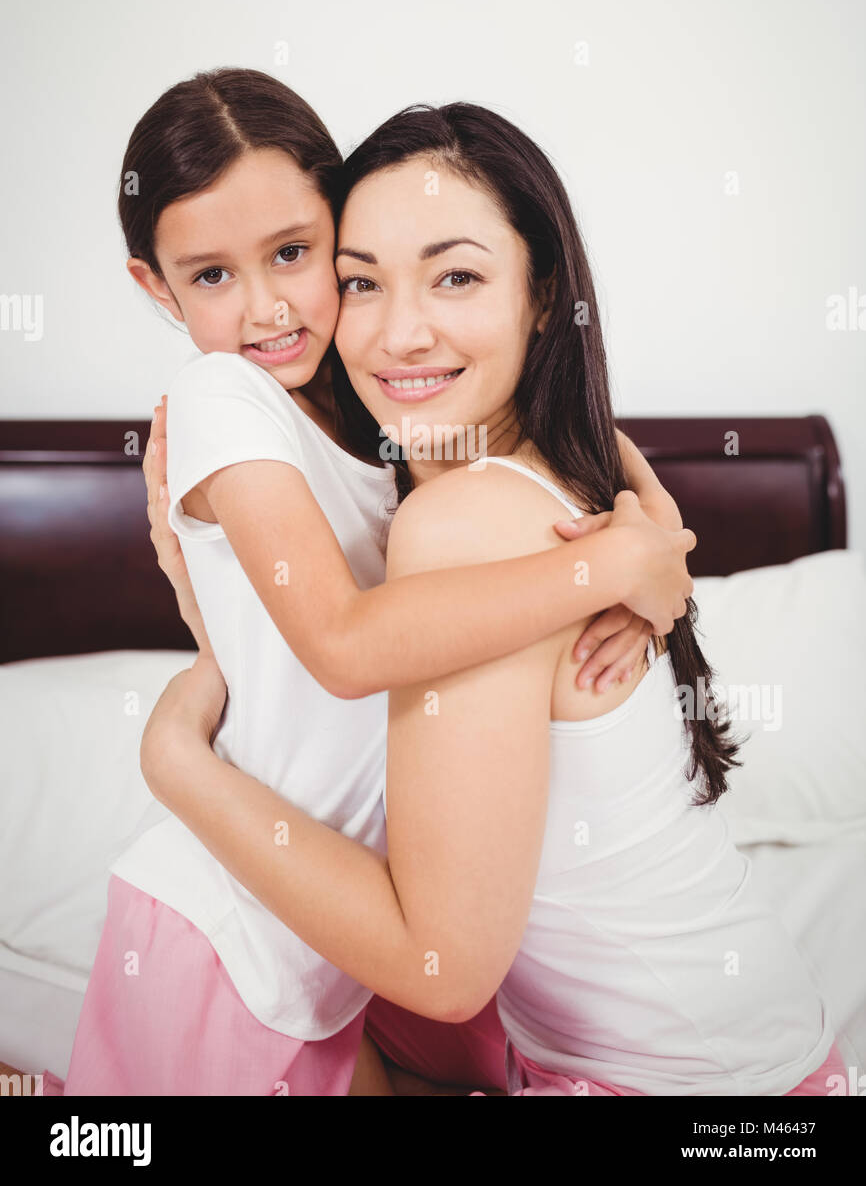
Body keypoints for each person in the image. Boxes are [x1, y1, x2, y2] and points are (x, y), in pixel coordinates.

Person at [137, 99, 845, 1096]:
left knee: (231, 966)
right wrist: (193, 578)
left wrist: (179, 767)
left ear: (541, 294)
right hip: (775, 1062)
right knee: (310, 1001)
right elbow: (309, 663)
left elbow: (443, 966)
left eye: (455, 276)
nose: (399, 332)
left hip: (683, 1092)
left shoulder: (462, 523)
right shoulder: (558, 469)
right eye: (359, 283)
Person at [36, 70, 692, 1097]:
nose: (265, 308)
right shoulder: (222, 394)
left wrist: (661, 544)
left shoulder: (378, 397)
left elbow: (558, 432)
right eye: (209, 276)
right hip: (245, 937)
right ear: (153, 287)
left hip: (358, 940)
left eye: (295, 256)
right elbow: (341, 644)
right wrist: (603, 563)